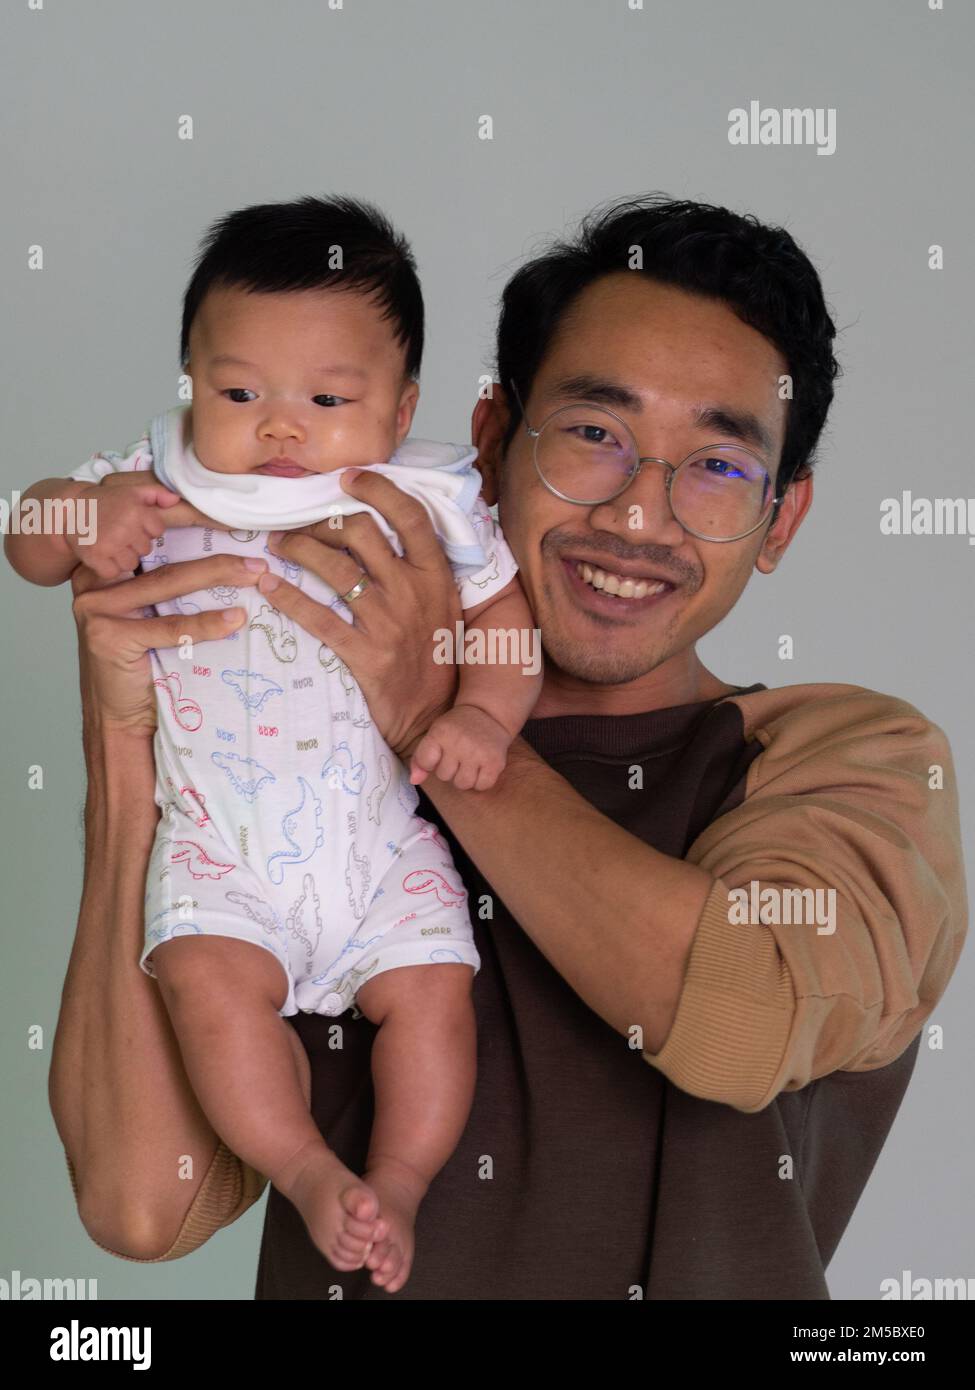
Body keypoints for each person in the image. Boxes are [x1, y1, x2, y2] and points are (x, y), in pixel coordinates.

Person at [44, 195, 967, 1299]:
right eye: (592, 435)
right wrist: (122, 737)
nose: (637, 515)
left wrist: (439, 713)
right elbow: (145, 1199)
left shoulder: (849, 756)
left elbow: (744, 1017)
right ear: (486, 443)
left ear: (781, 519)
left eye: (717, 467)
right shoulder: (318, 761)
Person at [7, 196, 540, 1293]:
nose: (280, 426)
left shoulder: (429, 496)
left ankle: (394, 1179)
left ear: (401, 410)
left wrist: (483, 713)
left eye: (328, 397)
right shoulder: (158, 476)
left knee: (435, 995)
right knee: (208, 987)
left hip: (374, 849)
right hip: (221, 851)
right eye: (238, 391)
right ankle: (304, 1169)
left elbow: (502, 619)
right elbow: (27, 539)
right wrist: (76, 516)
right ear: (189, 383)